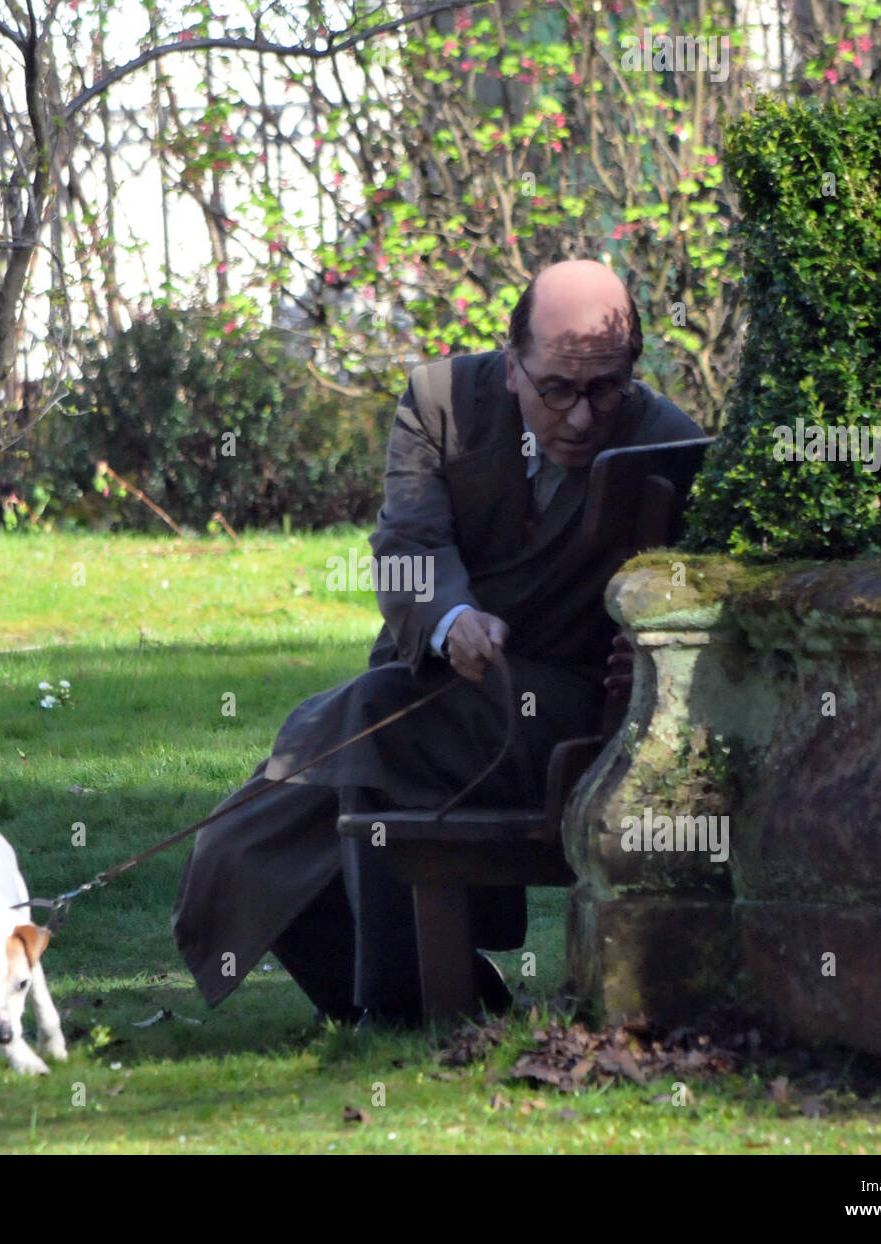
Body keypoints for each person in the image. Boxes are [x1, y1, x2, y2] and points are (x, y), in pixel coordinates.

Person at [171, 259, 704, 1024]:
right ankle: (422, 1005)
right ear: (512, 362)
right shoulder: (439, 404)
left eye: (606, 387)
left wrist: (653, 645)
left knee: (373, 713)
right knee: (233, 850)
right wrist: (453, 621)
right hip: (431, 687)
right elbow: (410, 545)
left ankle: (406, 1012)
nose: (583, 417)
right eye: (558, 388)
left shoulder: (669, 445)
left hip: (558, 712)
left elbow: (707, 587)